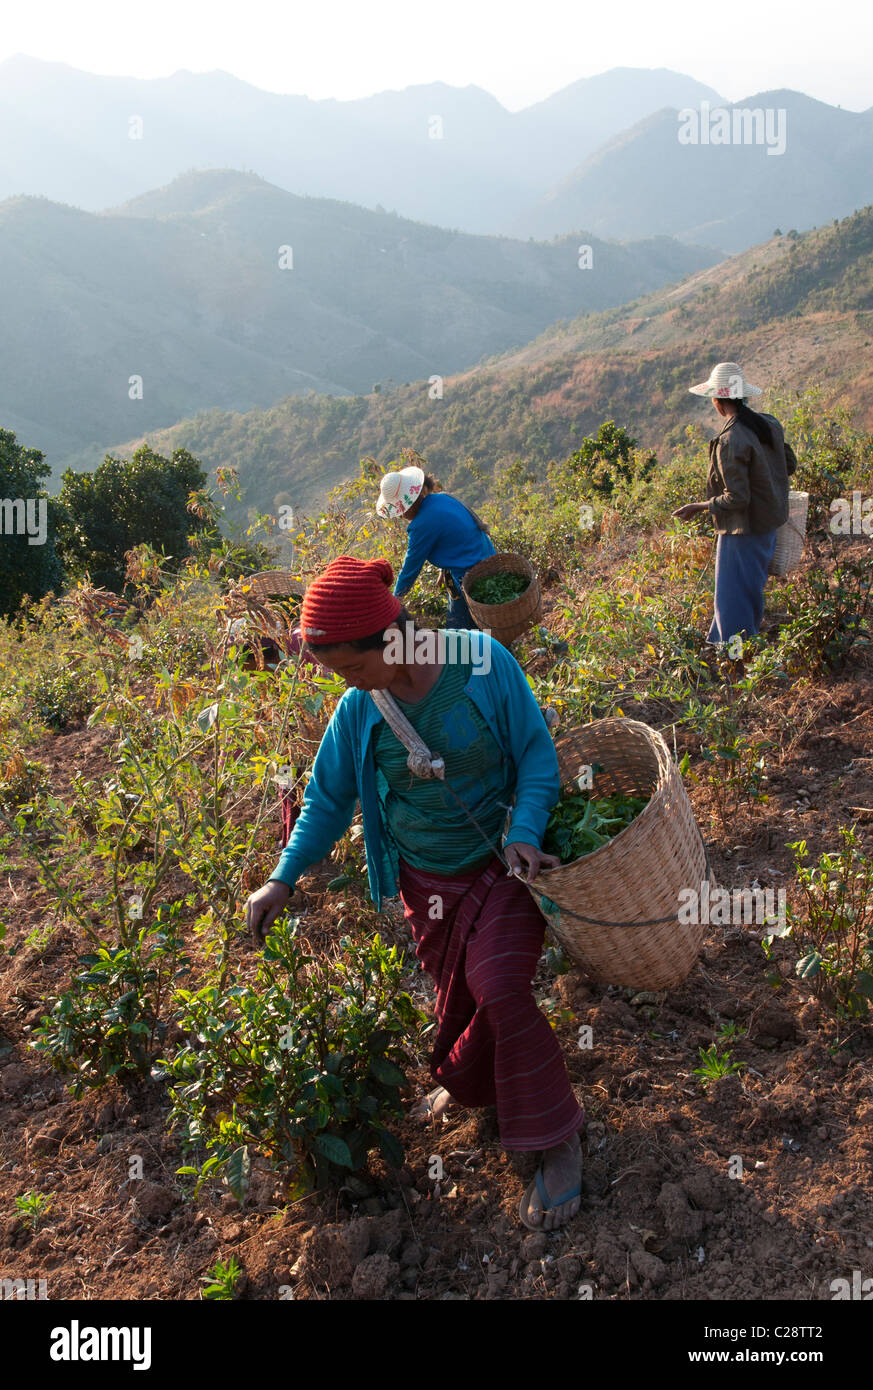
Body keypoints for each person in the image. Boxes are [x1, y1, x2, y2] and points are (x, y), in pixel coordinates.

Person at [245, 555, 585, 1231]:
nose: (346, 683)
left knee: (500, 989)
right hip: (425, 882)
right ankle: (478, 1087)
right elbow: (326, 801)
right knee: (455, 996)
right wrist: (282, 878)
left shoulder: (481, 664)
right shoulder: (357, 710)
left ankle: (557, 1141)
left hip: (502, 868)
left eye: (349, 667)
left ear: (390, 639)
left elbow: (537, 755)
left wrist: (522, 829)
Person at [672, 362, 797, 651]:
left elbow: (737, 498)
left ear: (717, 400)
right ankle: (725, 648)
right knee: (746, 593)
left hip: (743, 530)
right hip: (766, 528)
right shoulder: (769, 424)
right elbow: (788, 465)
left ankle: (736, 658)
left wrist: (699, 506)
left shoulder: (729, 440)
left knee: (732, 599)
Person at [376, 465, 496, 629]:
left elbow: (410, 567)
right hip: (488, 558)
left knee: (462, 633)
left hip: (472, 578)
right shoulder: (442, 498)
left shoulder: (421, 525)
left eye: (401, 511)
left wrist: (394, 601)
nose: (402, 516)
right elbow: (453, 536)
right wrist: (443, 570)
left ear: (410, 504)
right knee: (474, 625)